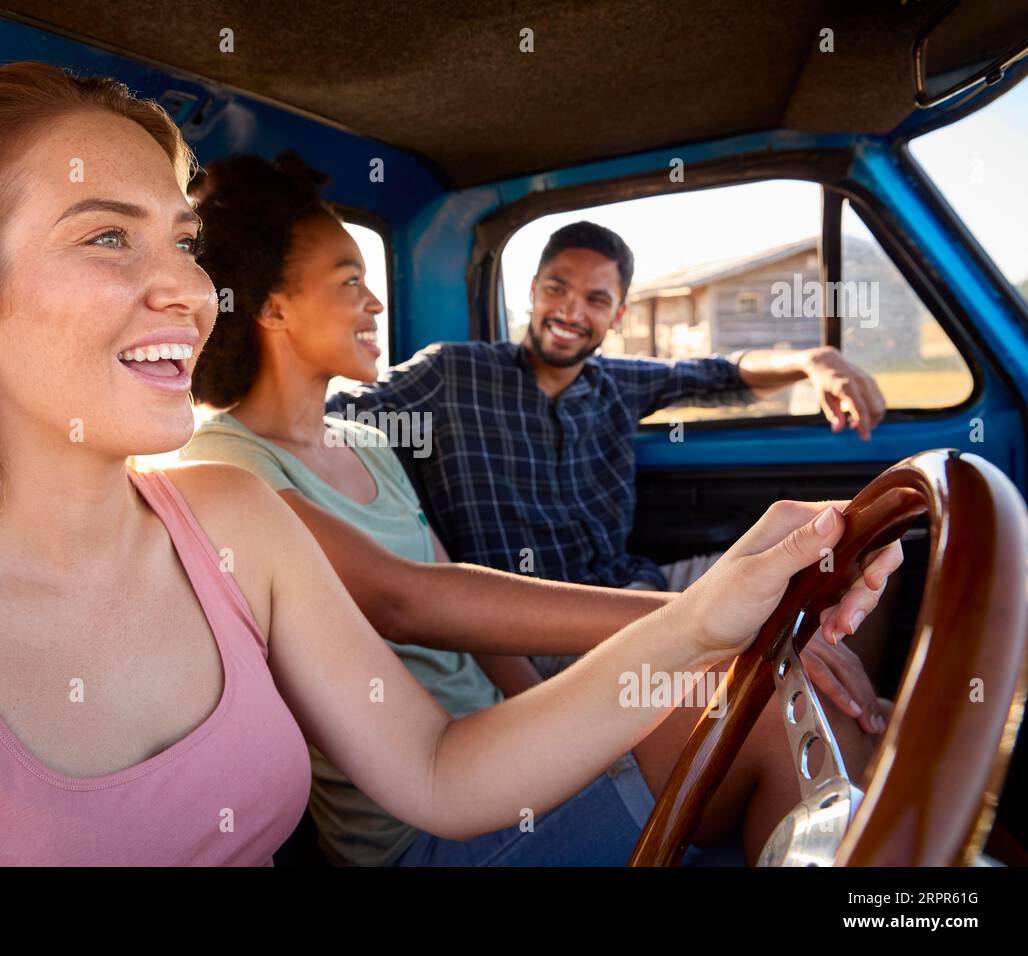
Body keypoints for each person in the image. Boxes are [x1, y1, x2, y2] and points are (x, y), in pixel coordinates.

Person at [180, 152, 895, 866]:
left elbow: (710, 376)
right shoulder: (232, 464)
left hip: (508, 748)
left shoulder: (369, 443)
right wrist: (707, 621)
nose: (375, 304)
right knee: (774, 713)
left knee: (803, 688)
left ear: (615, 316)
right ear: (271, 306)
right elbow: (405, 599)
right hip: (424, 820)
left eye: (595, 300)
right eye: (351, 283)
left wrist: (561, 719)